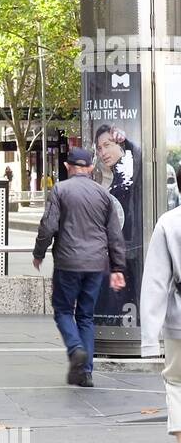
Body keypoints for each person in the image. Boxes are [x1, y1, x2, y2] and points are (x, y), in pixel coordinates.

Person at [33, 147, 126, 387]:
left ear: (67, 167)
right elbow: (114, 234)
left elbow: (48, 226)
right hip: (96, 265)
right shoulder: (103, 194)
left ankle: (75, 349)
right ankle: (85, 373)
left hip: (68, 263)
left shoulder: (61, 190)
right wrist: (117, 267)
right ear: (91, 168)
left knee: (63, 310)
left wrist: (39, 253)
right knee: (85, 316)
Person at [141, 206, 181, 443]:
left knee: (178, 384)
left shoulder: (170, 222)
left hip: (179, 322)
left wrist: (149, 339)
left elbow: (155, 280)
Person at [94, 125, 144, 325]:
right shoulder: (115, 177)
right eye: (99, 148)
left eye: (107, 145)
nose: (103, 152)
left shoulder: (129, 172)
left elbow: (140, 158)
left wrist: (128, 142)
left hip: (129, 252)